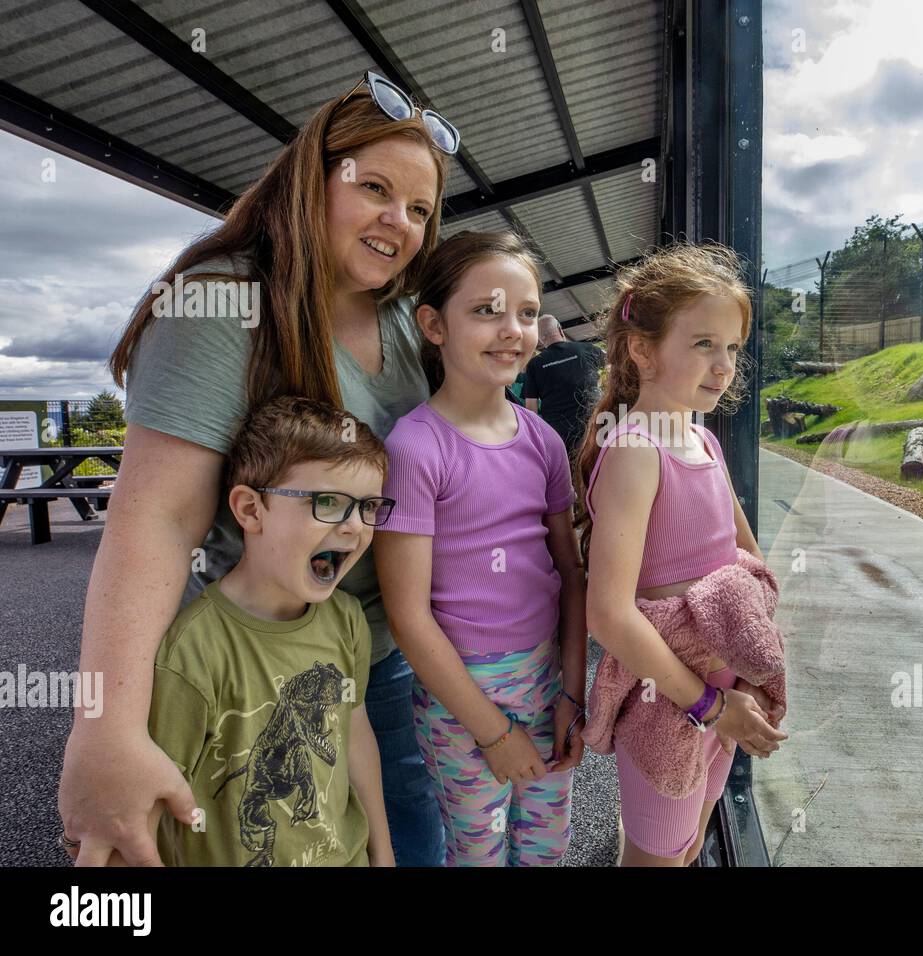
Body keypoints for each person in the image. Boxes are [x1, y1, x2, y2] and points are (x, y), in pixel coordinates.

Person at [60, 72, 453, 867]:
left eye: (419, 209)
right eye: (373, 187)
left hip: (382, 652)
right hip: (250, 663)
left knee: (401, 831)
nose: (398, 222)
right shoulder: (223, 302)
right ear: (314, 179)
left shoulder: (410, 321)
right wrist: (105, 731)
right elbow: (156, 520)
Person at [374, 231, 586, 866]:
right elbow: (408, 616)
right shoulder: (413, 450)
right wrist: (492, 734)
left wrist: (572, 695)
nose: (511, 330)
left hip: (548, 683)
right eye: (486, 310)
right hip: (458, 701)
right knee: (478, 852)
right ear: (434, 324)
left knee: (548, 847)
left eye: (525, 312)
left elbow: (571, 573)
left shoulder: (544, 442)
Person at [574, 243, 789, 867]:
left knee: (688, 842)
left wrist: (746, 669)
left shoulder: (702, 438)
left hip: (726, 688)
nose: (723, 366)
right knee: (657, 857)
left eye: (731, 347)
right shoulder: (637, 452)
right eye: (702, 344)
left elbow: (746, 558)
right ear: (642, 349)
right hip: (674, 701)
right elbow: (608, 615)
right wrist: (711, 704)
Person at [127, 397, 395, 867]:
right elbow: (147, 804)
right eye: (328, 502)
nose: (355, 528)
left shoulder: (348, 620)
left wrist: (383, 851)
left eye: (369, 506)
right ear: (251, 510)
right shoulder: (193, 650)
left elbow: (354, 734)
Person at [522, 314, 606, 462]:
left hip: (560, 439)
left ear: (541, 339)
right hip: (595, 429)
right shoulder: (585, 349)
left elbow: (531, 409)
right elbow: (614, 363)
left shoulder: (535, 364)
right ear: (560, 329)